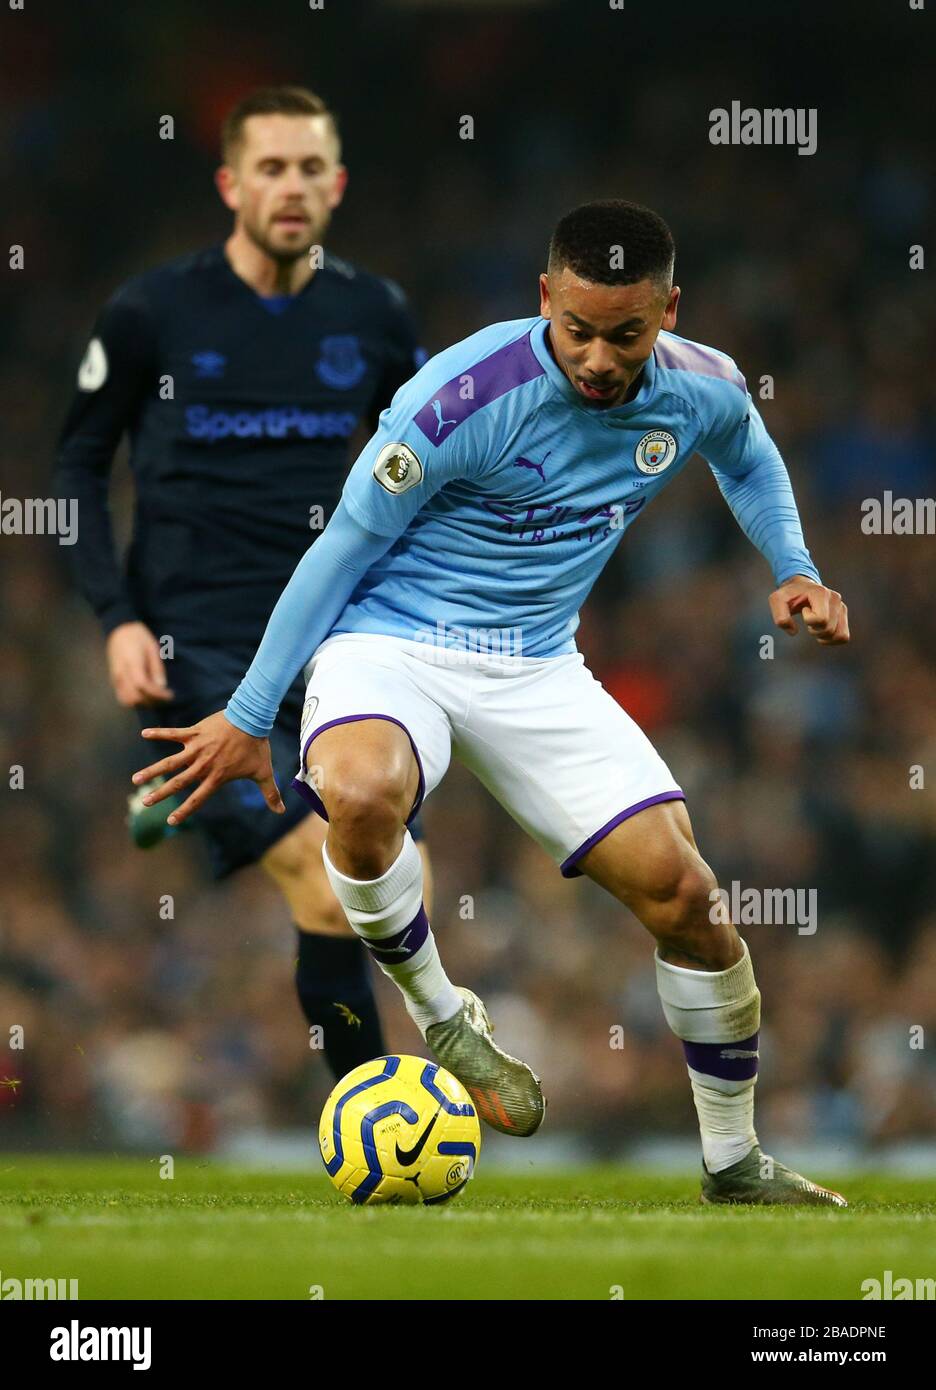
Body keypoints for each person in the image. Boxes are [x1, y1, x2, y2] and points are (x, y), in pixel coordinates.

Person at [133, 199, 851, 1205]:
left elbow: (748, 452)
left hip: (537, 666)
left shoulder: (704, 388)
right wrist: (253, 713)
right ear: (545, 298)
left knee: (688, 899)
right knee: (363, 791)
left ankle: (733, 1162)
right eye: (579, 330)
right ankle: (441, 1016)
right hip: (397, 643)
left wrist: (793, 567)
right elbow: (340, 546)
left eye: (627, 333)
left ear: (669, 313)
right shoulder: (460, 398)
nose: (600, 358)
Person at [55, 85, 432, 1083]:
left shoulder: (375, 314)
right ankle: (376, 1106)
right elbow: (77, 468)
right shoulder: (152, 314)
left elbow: (425, 472)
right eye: (271, 167)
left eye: (311, 167)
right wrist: (116, 617)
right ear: (231, 183)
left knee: (369, 867)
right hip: (197, 647)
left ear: (338, 184)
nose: (292, 186)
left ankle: (165, 802)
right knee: (323, 873)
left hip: (341, 638)